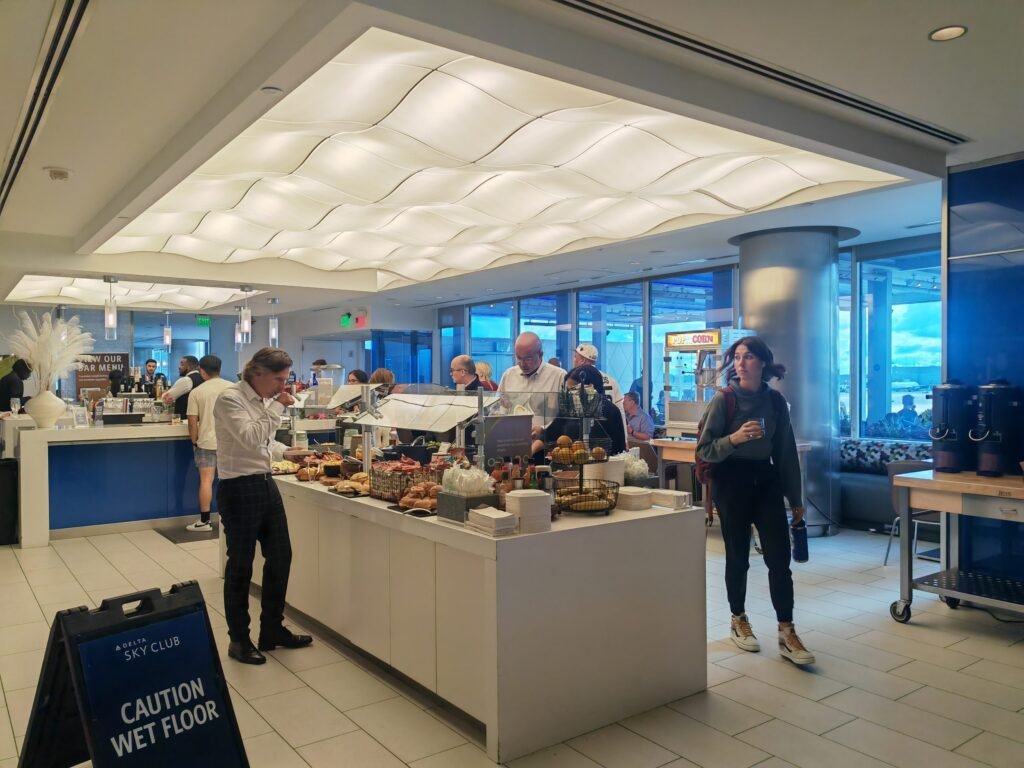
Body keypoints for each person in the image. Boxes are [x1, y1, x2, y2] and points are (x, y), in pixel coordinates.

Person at [695, 336, 814, 666]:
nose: (740, 363)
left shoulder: (775, 402)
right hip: (731, 481)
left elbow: (786, 452)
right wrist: (733, 438)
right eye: (737, 357)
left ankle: (787, 631)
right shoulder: (724, 400)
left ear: (763, 363)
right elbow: (704, 450)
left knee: (779, 558)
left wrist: (796, 499)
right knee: (738, 555)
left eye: (748, 357)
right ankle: (738, 619)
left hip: (766, 480)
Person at [214, 347, 312, 665]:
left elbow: (265, 443)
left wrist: (286, 452)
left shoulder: (263, 401)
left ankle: (272, 629)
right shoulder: (230, 398)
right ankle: (239, 640)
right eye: (279, 379)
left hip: (265, 483)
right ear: (257, 373)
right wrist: (278, 409)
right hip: (238, 487)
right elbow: (250, 438)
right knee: (241, 566)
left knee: (281, 557)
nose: (283, 387)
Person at [184, 355, 233, 532]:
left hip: (206, 442)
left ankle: (205, 521)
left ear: (202, 371)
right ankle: (233, 518)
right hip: (231, 443)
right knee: (232, 481)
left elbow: (192, 422)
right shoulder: (233, 388)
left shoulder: (197, 392)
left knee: (206, 481)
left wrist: (194, 442)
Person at [499, 332, 566, 453]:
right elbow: (499, 409)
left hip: (545, 447)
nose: (523, 364)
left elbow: (564, 417)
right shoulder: (509, 375)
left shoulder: (559, 376)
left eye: (528, 358)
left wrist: (543, 430)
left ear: (541, 354)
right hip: (511, 444)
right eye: (519, 358)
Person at [547, 365, 627, 455]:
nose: (570, 394)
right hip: (569, 465)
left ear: (589, 388)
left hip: (603, 466)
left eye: (573, 390)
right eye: (568, 390)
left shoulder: (610, 411)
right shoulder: (569, 408)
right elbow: (551, 434)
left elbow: (618, 449)